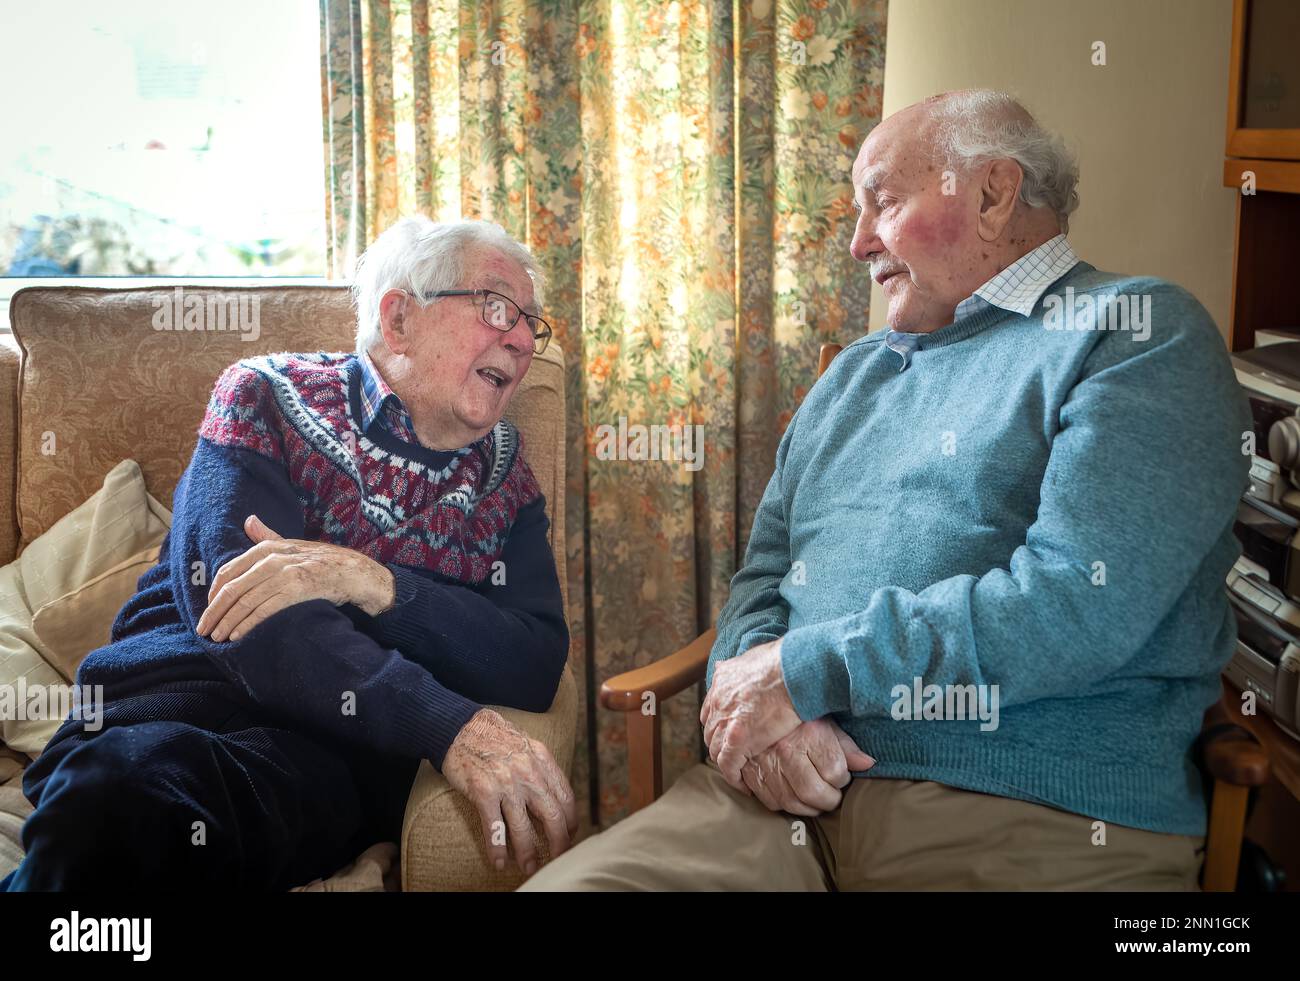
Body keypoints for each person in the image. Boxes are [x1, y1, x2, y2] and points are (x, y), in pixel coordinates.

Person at [521, 90, 1251, 891]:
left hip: (1025, 814)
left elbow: (1075, 605)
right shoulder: (853, 375)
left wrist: (807, 672)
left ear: (993, 194)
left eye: (884, 203)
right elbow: (762, 582)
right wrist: (760, 711)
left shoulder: (1135, 333)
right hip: (776, 804)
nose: (858, 241)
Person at [3, 217, 575, 890]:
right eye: (498, 308)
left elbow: (532, 658)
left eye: (530, 324)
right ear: (399, 320)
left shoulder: (506, 481)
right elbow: (241, 612)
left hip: (320, 761)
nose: (519, 338)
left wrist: (377, 584)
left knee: (142, 814)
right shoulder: (263, 396)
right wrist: (441, 720)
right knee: (118, 792)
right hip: (171, 705)